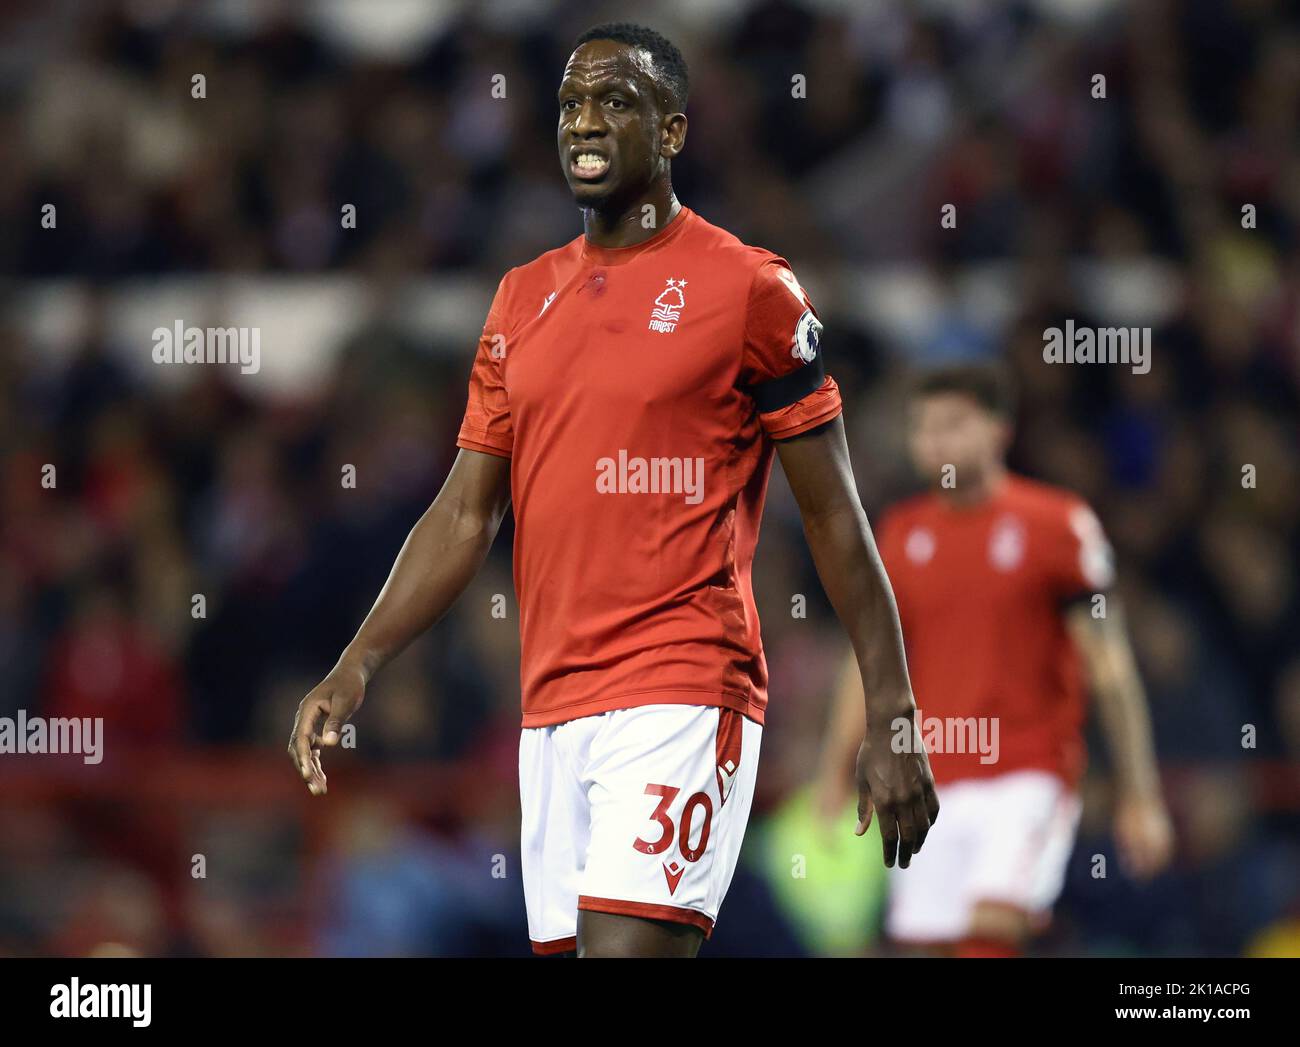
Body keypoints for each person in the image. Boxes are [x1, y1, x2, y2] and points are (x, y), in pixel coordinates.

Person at [289, 22, 937, 958]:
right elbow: (467, 510)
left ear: (672, 131)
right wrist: (359, 661)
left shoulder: (751, 290)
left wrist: (892, 709)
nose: (585, 122)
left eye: (617, 101)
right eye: (570, 104)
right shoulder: (521, 299)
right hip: (552, 710)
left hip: (683, 687)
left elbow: (835, 512)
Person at [816, 363, 1173, 956]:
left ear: (999, 429)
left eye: (955, 425)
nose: (937, 442)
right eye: (923, 428)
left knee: (992, 929)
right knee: (923, 943)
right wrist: (832, 769)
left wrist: (1140, 793)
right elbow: (866, 664)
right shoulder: (899, 537)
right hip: (928, 779)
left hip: (1028, 771)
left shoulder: (1058, 526)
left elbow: (1108, 667)